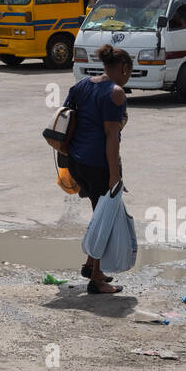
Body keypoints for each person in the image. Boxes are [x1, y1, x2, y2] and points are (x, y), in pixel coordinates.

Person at [64, 44, 131, 294]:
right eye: (128, 73)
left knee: (98, 213)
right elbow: (111, 137)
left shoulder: (81, 85)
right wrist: (115, 176)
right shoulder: (115, 93)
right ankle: (97, 278)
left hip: (77, 160)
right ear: (123, 68)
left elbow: (67, 117)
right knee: (106, 219)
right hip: (98, 163)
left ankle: (91, 263)